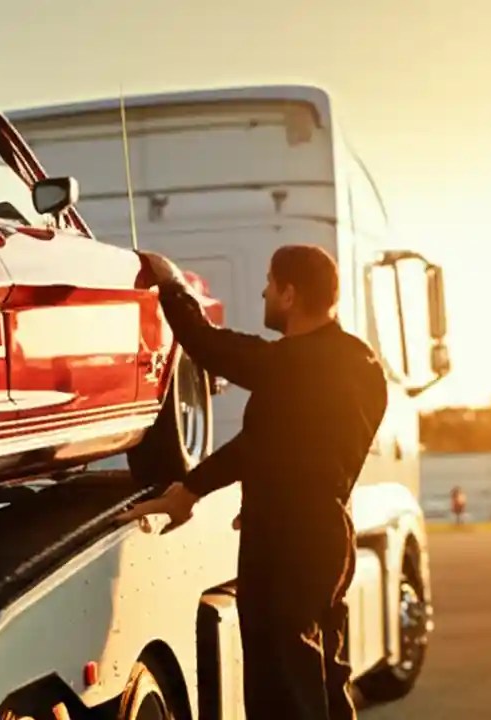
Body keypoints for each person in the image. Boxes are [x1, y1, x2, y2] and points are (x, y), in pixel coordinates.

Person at [119, 244, 389, 720]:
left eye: (269, 283)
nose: (264, 293)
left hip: (284, 544)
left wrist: (171, 285)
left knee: (281, 687)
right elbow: (267, 444)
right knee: (324, 676)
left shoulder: (294, 364)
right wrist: (194, 489)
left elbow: (208, 345)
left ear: (289, 294)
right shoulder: (361, 363)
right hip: (331, 537)